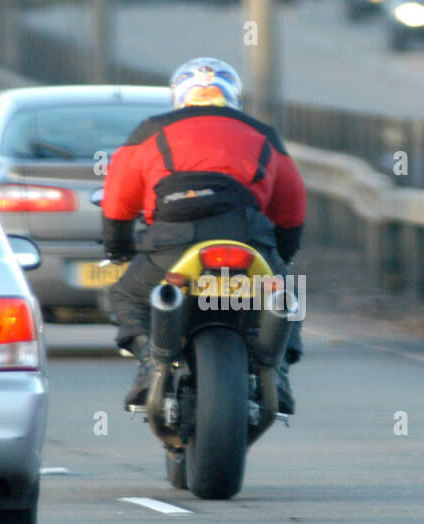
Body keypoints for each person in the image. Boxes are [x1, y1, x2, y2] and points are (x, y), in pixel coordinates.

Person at [101, 57, 306, 413]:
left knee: (126, 295)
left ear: (178, 96)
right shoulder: (264, 134)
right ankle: (278, 375)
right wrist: (282, 256)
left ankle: (151, 361)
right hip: (246, 237)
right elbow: (293, 208)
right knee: (286, 298)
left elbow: (117, 204)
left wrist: (119, 249)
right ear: (233, 97)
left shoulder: (150, 131)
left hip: (171, 242)